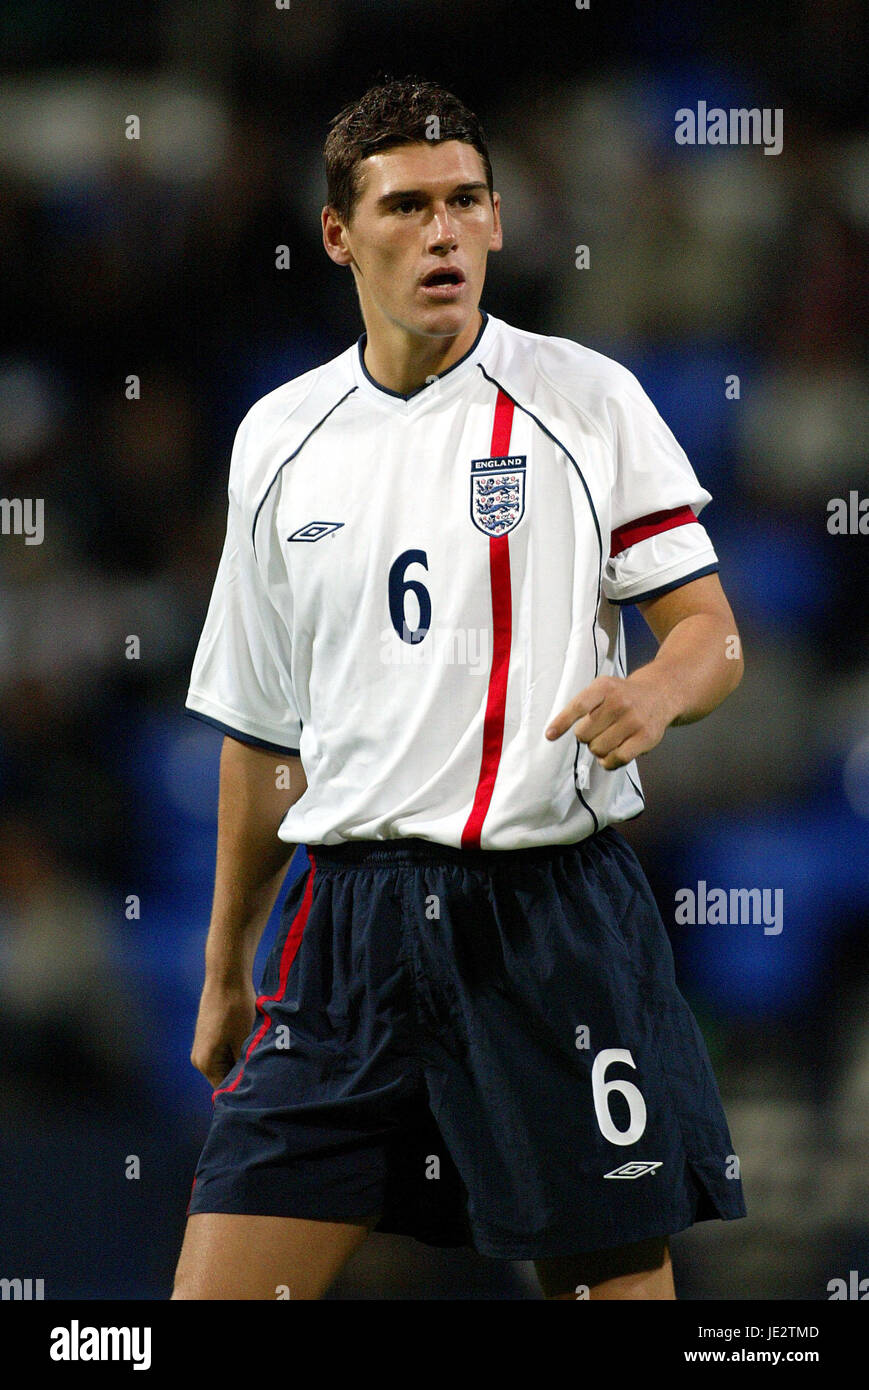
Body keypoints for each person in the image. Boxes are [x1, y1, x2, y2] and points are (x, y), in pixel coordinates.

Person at [171, 76, 746, 1301]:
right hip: (342, 941)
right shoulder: (276, 437)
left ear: (495, 220)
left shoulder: (587, 401)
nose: (441, 232)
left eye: (465, 201)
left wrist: (654, 693)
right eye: (406, 205)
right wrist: (225, 965)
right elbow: (264, 733)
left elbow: (709, 634)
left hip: (543, 923)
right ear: (339, 234)